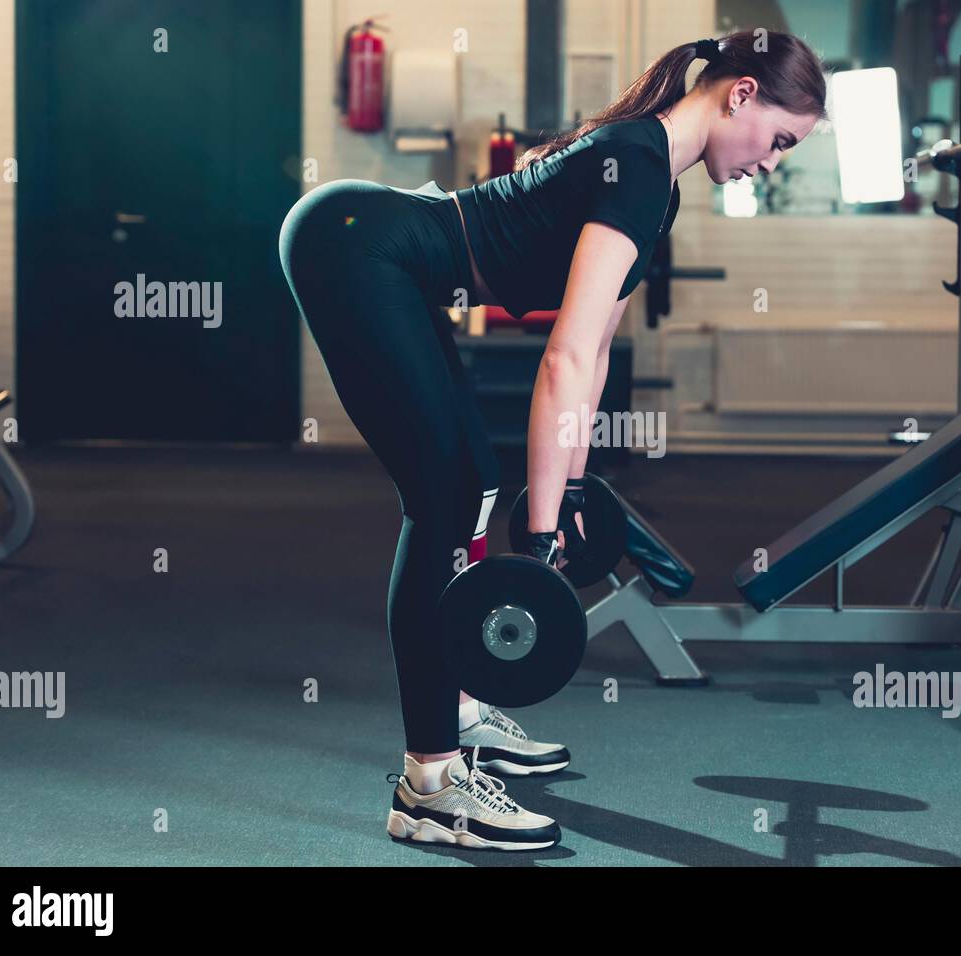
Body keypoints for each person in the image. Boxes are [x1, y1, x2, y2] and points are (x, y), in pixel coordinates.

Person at [277, 29, 827, 853]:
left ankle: (454, 703)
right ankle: (430, 785)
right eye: (780, 140)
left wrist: (562, 494)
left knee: (477, 480)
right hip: (354, 243)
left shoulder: (655, 182)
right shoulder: (638, 163)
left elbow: (595, 348)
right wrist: (538, 545)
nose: (770, 161)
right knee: (444, 499)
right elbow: (562, 356)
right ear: (742, 94)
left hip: (384, 252)